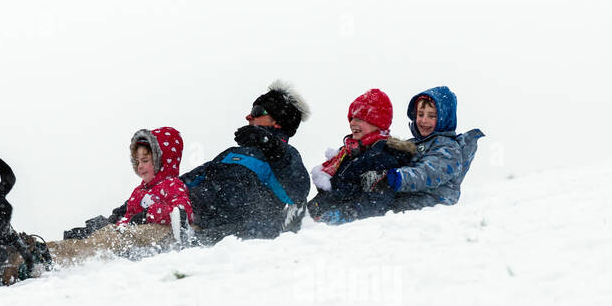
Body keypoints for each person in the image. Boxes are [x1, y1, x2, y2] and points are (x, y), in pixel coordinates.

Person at [0, 126, 192, 283]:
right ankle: (35, 253)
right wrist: (121, 222)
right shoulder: (140, 190)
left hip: (154, 234)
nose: (139, 166)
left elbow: (182, 212)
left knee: (100, 242)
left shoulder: (171, 184)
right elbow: (128, 215)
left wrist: (148, 214)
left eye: (146, 160)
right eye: (137, 161)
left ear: (162, 160)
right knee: (91, 240)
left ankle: (38, 259)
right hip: (129, 234)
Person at [182, 81, 312, 241]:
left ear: (277, 122)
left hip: (241, 236)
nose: (248, 116)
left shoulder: (285, 156)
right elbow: (186, 183)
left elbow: (297, 193)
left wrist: (271, 146)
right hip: (196, 225)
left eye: (257, 111)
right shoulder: (230, 153)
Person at [358, 85, 484, 213]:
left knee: (374, 210)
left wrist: (392, 178)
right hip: (407, 202)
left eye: (432, 116)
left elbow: (427, 174)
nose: (424, 120)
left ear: (444, 119)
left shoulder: (448, 148)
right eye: (420, 114)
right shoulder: (415, 143)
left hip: (430, 207)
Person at [306, 88, 416, 225]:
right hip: (323, 220)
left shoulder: (382, 156)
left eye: (359, 118)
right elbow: (336, 192)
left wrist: (341, 215)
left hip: (350, 232)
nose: (352, 123)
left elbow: (376, 202)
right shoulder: (349, 153)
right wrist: (310, 212)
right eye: (352, 118)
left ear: (377, 123)